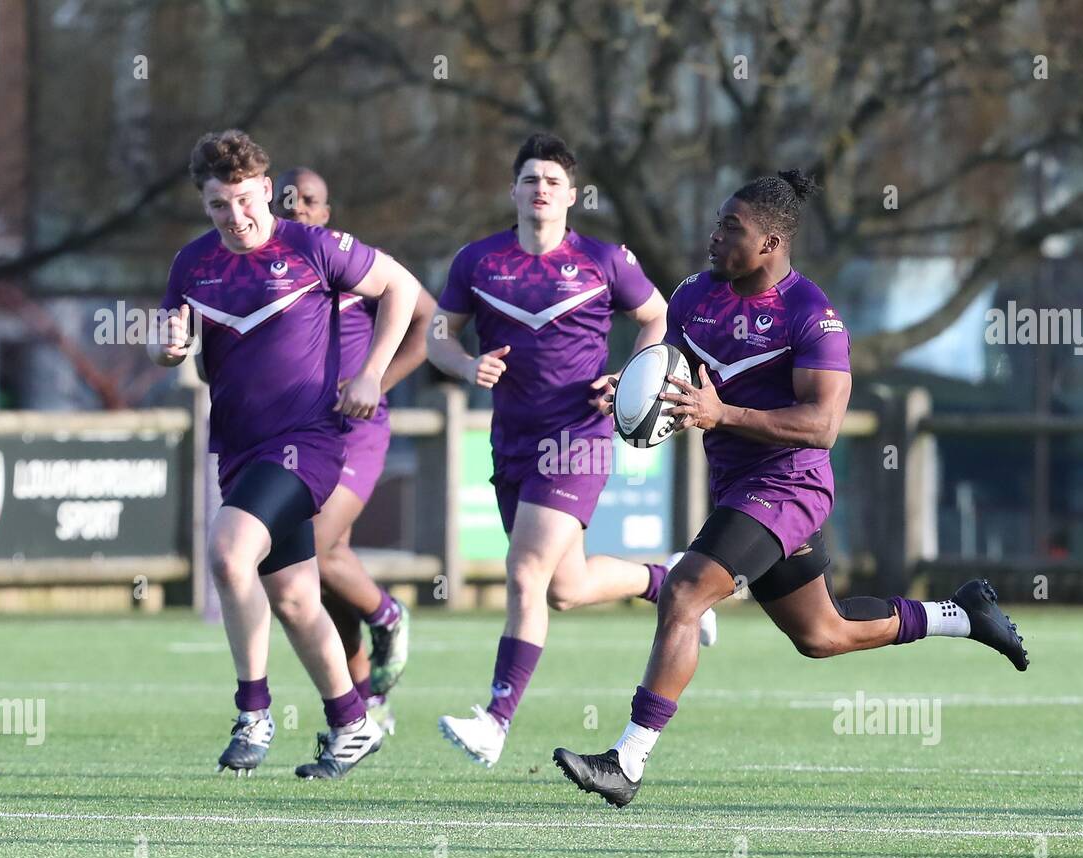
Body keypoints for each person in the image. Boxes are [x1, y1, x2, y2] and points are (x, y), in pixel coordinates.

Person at [553, 170, 1029, 807]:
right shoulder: (695, 295)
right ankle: (963, 615)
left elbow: (822, 425)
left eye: (732, 228)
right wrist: (631, 385)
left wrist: (725, 415)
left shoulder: (812, 316)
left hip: (788, 488)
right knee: (822, 635)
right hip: (739, 488)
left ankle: (627, 761)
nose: (715, 236)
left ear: (771, 243)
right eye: (719, 222)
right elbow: (670, 368)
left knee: (688, 593)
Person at [428, 132, 717, 768]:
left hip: (577, 436)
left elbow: (656, 313)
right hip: (512, 441)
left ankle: (495, 721)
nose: (541, 190)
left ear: (572, 195)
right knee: (564, 587)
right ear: (513, 191)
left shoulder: (604, 261)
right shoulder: (478, 261)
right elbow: (438, 334)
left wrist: (633, 373)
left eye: (552, 181)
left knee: (524, 573)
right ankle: (665, 581)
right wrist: (464, 364)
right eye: (530, 179)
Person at [151, 130, 422, 779]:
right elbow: (172, 333)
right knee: (298, 599)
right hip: (240, 450)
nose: (235, 217)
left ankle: (254, 712)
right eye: (219, 205)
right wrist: (166, 346)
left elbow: (402, 291)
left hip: (308, 444)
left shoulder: (310, 246)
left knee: (226, 550)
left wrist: (372, 374)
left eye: (244, 200)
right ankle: (352, 723)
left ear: (267, 191)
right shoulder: (192, 264)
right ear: (205, 204)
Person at [273, 166, 434, 734]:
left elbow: (428, 320)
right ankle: (365, 703)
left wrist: (376, 382)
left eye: (308, 201)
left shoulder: (351, 264)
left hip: (355, 431)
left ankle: (388, 616)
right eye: (286, 200)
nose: (297, 209)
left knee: (306, 551)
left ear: (325, 211)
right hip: (294, 436)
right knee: (317, 569)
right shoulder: (268, 273)